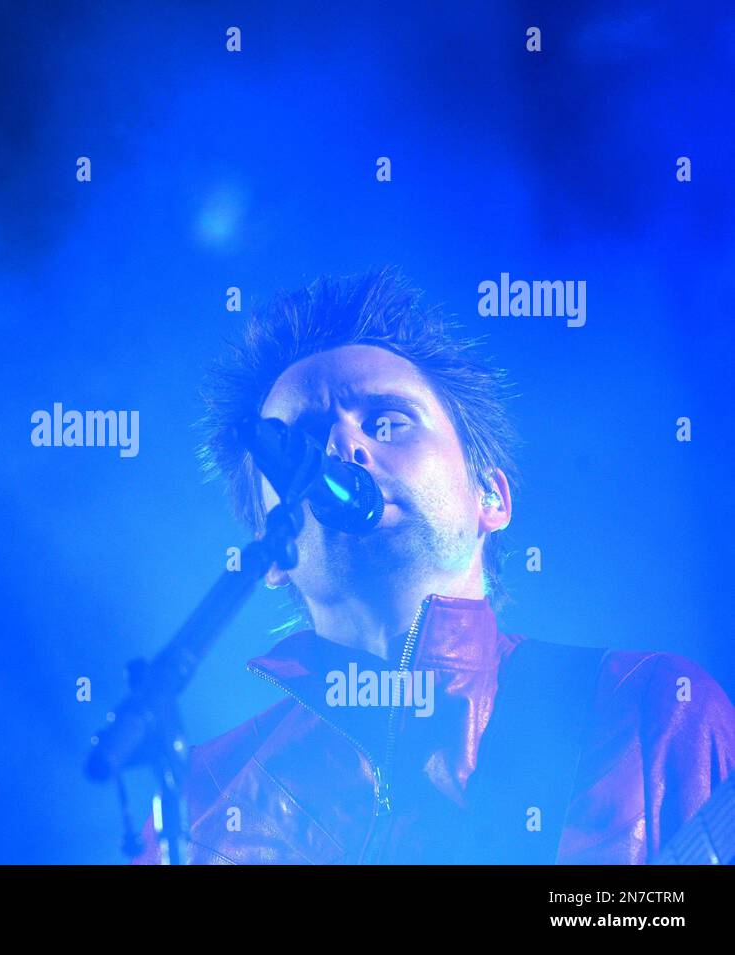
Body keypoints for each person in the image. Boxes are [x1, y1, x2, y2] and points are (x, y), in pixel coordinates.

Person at [134, 267, 735, 864]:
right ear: (273, 553)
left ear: (491, 497)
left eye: (387, 421)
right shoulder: (198, 810)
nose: (346, 448)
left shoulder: (651, 713)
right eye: (304, 444)